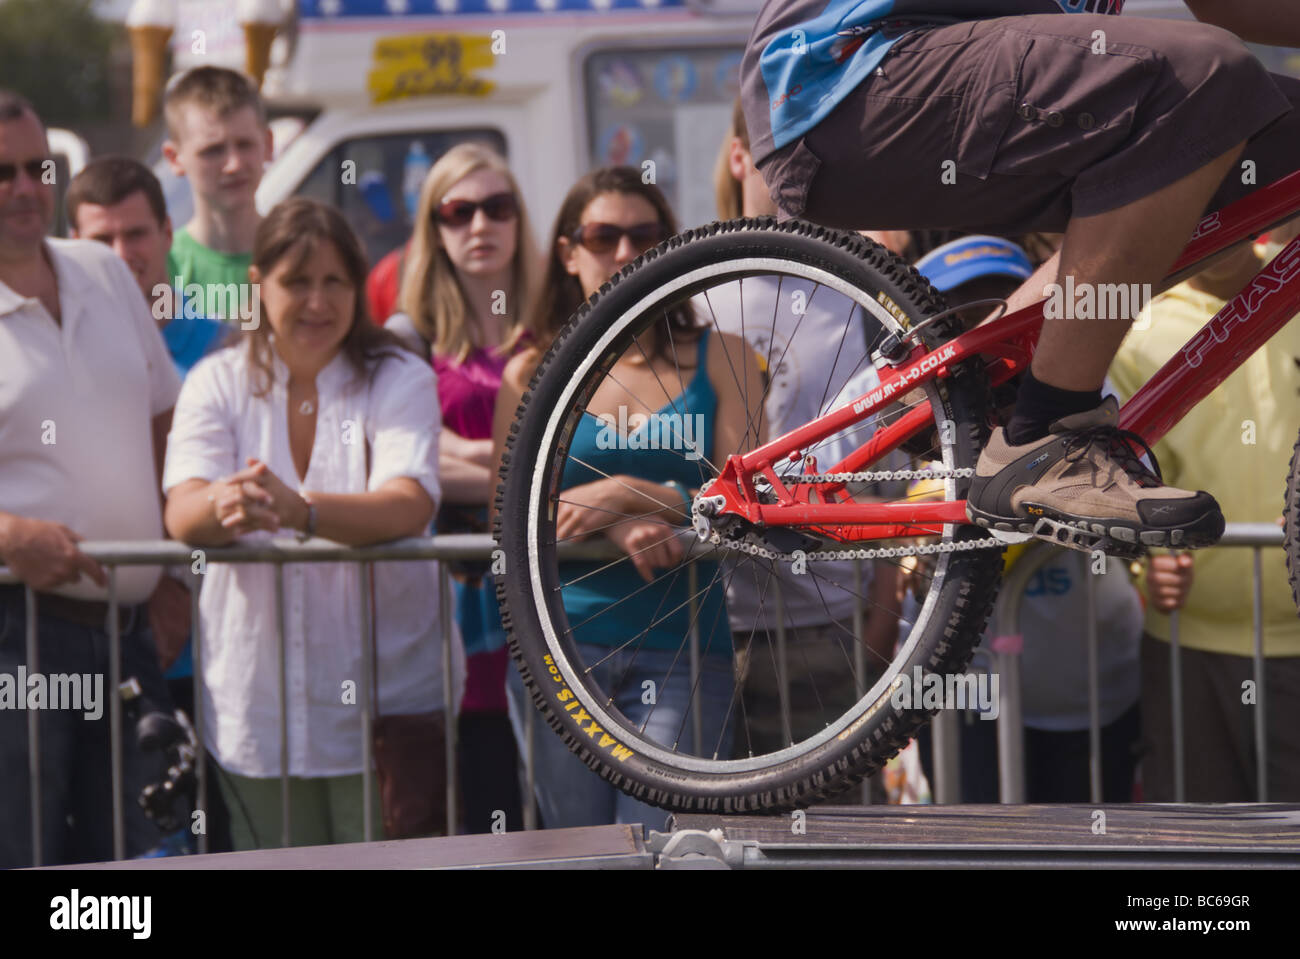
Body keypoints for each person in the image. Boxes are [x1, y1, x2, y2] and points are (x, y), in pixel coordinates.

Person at [742, 1, 1300, 551]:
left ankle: (969, 380)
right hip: (845, 74)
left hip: (945, 78)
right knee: (1203, 75)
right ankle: (1049, 432)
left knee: (1246, 125)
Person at [162, 198, 465, 848]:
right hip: (258, 706)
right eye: (297, 281)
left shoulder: (400, 375)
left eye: (335, 281)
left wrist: (301, 511)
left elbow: (409, 500)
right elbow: (182, 511)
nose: (318, 300)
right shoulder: (215, 380)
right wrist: (228, 504)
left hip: (388, 707)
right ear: (257, 285)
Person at [493, 167, 766, 830]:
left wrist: (635, 491)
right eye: (602, 235)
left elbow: (748, 501)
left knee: (659, 844)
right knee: (579, 850)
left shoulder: (724, 354)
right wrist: (616, 525)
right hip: (560, 647)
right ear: (568, 252)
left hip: (682, 645)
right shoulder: (531, 371)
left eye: (643, 235)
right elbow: (518, 515)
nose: (624, 253)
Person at [0, 90, 181, 867]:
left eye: (37, 166)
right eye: (0, 171)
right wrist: (6, 536)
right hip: (18, 638)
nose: (23, 187)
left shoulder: (104, 270)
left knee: (133, 875)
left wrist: (172, 575)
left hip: (129, 640)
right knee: (28, 858)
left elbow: (165, 426)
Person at [711, 100, 901, 777]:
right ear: (737, 156)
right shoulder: (693, 294)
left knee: (832, 833)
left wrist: (881, 617)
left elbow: (894, 461)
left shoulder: (852, 290)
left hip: (830, 619)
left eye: (807, 152)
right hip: (709, 621)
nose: (794, 172)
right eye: (773, 151)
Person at [66, 154, 234, 850]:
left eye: (135, 234)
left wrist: (173, 582)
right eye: (99, 240)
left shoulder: (226, 339)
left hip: (210, 645)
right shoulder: (56, 340)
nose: (120, 255)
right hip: (85, 646)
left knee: (212, 838)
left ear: (169, 232)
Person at [1111, 226, 1300, 802]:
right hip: (1187, 651)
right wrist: (1146, 563)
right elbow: (1122, 482)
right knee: (1195, 846)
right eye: (1196, 211)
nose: (1212, 225)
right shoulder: (1135, 334)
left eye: (1229, 202)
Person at [384, 142, 540, 834]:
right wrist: (509, 459)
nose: (480, 225)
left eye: (497, 208)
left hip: (537, 597)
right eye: (459, 211)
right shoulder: (408, 337)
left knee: (545, 808)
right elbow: (398, 461)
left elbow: (573, 461)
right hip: (447, 603)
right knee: (470, 810)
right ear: (435, 228)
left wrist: (459, 451)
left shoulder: (551, 329)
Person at [161, 66, 272, 322]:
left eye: (245, 145)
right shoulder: (163, 267)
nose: (233, 164)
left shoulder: (298, 257)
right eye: (212, 150)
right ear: (174, 158)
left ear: (268, 145)